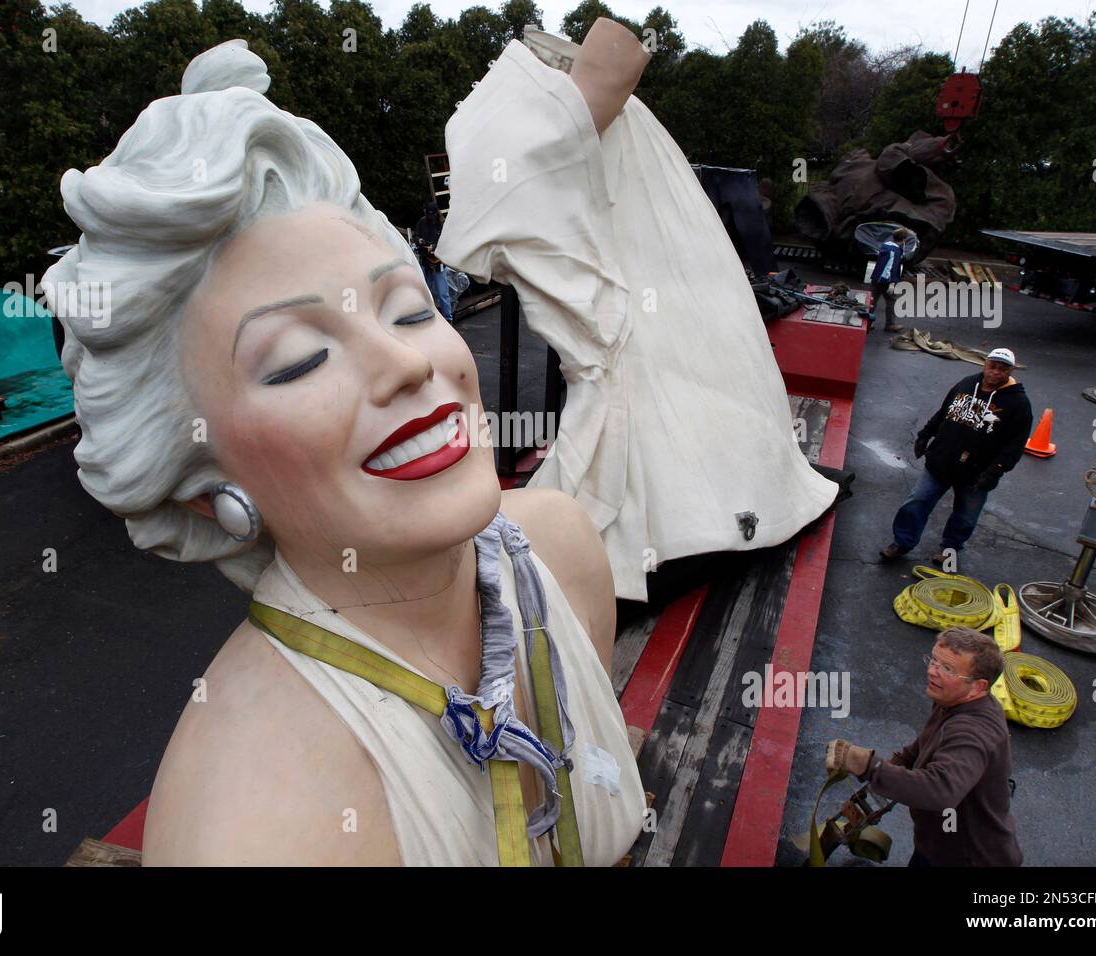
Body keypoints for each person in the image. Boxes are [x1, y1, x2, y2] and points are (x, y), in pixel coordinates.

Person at [42, 39, 646, 866]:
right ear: (196, 480)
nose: (408, 363)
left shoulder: (563, 553)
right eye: (296, 360)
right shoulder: (252, 828)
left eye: (406, 312)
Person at [436, 22, 838, 602]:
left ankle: (662, 520)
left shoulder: (588, 112)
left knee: (654, 379)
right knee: (639, 372)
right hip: (627, 268)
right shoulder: (577, 115)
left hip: (637, 268)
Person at [826, 626, 1023, 867]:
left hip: (965, 858)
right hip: (941, 840)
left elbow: (939, 791)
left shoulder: (972, 734)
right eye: (933, 660)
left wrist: (868, 765)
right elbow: (921, 749)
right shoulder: (952, 701)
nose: (932, 671)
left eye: (947, 669)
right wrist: (888, 774)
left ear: (979, 686)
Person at [880, 347, 1032, 565]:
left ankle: (949, 549)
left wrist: (995, 471)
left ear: (1011, 370)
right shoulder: (967, 384)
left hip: (977, 473)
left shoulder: (1019, 404)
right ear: (985, 364)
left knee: (965, 516)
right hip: (941, 461)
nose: (996, 372)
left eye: (1003, 368)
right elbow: (943, 413)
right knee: (917, 501)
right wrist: (925, 435)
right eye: (993, 366)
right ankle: (902, 543)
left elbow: (1015, 445)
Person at [413, 201, 454, 323]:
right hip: (426, 261)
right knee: (425, 291)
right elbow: (415, 236)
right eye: (428, 215)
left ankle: (448, 318)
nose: (430, 218)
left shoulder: (441, 224)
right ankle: (427, 317)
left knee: (443, 293)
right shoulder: (422, 222)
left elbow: (446, 241)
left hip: (438, 262)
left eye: (433, 215)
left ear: (436, 214)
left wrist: (434, 247)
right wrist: (419, 240)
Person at [869, 226, 914, 333]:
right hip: (886, 280)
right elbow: (892, 267)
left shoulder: (885, 246)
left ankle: (867, 323)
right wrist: (893, 283)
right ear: (903, 240)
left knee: (872, 301)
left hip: (876, 278)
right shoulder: (896, 251)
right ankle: (890, 324)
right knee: (891, 301)